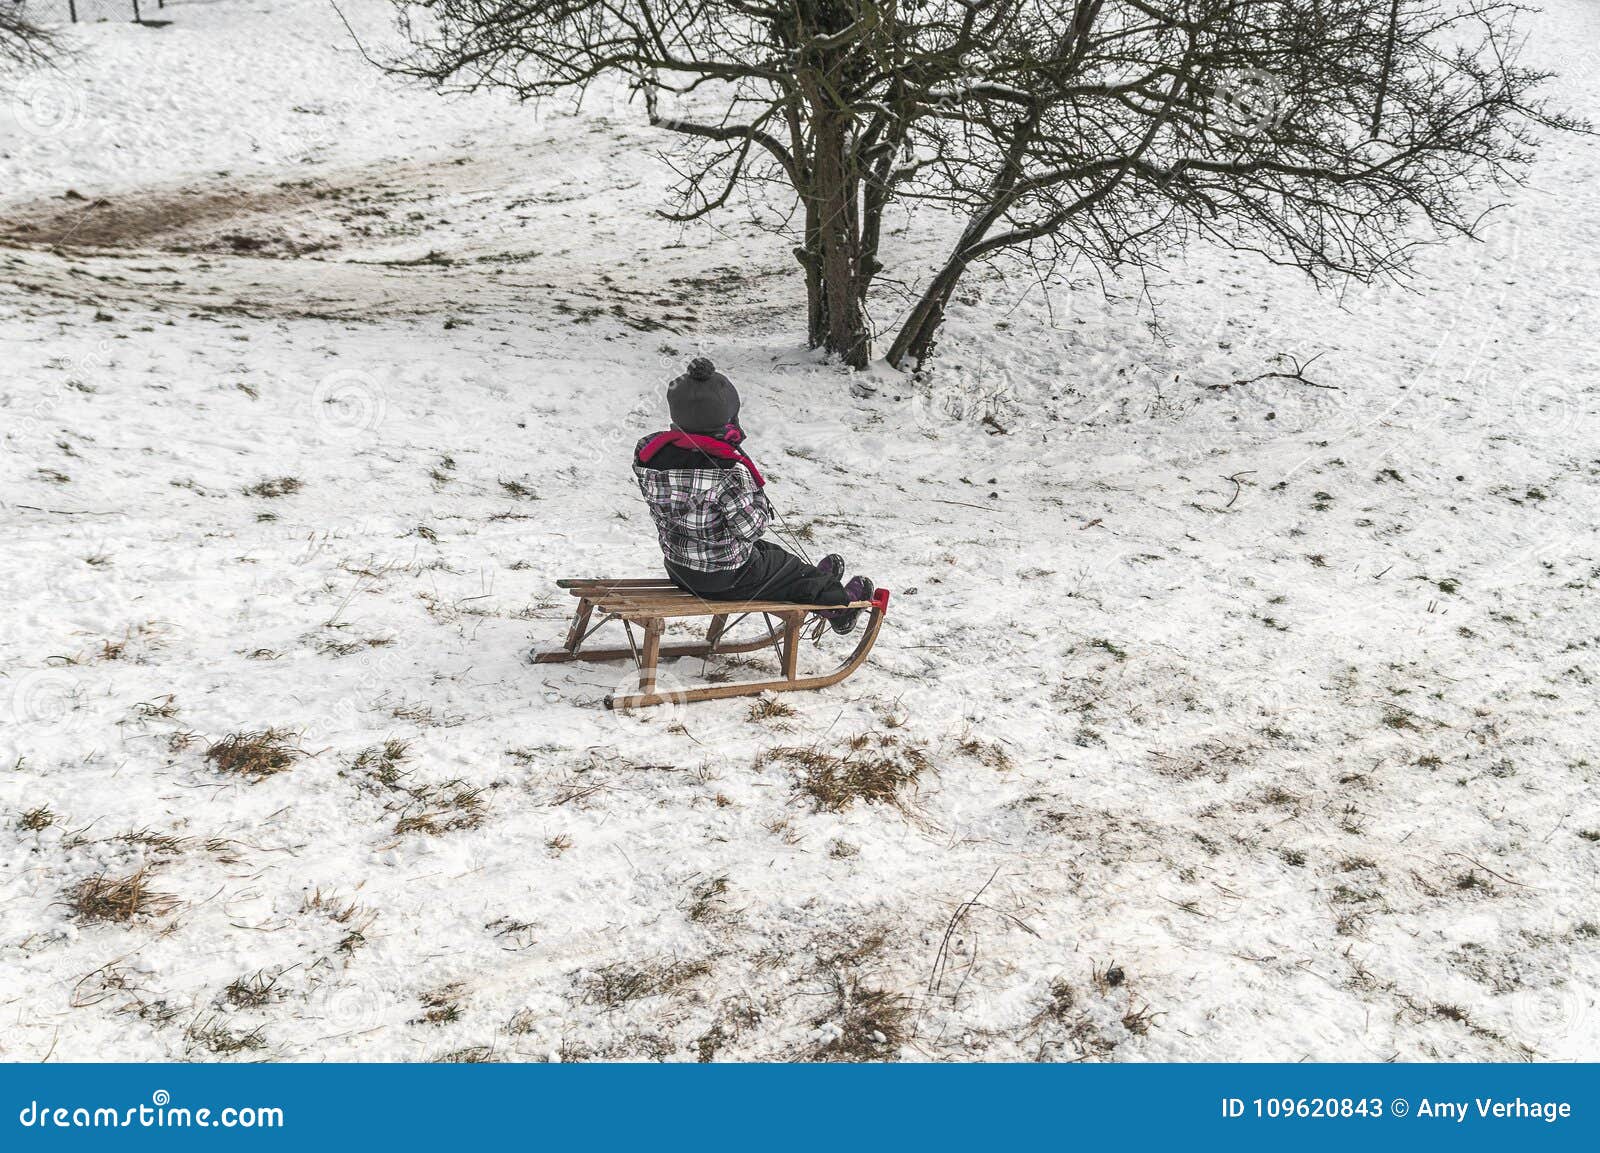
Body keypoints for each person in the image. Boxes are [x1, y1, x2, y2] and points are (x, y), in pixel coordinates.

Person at [632, 358, 874, 634]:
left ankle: (815, 579)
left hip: (678, 566)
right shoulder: (727, 473)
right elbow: (750, 529)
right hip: (723, 578)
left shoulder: (648, 453)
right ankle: (837, 605)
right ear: (727, 420)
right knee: (785, 568)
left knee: (770, 554)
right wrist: (755, 498)